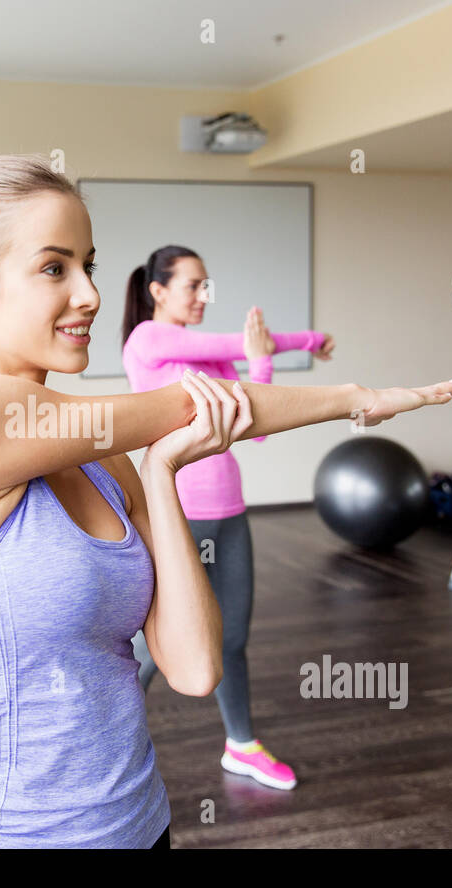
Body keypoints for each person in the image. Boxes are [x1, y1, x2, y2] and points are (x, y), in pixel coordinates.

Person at [0, 154, 452, 848]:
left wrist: (160, 477)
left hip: (143, 822)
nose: (91, 293)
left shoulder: (104, 460)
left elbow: (193, 668)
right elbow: (185, 403)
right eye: (55, 268)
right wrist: (354, 400)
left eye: (89, 264)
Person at [121, 246, 335, 790]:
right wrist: (308, 342)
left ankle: (242, 744)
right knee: (151, 648)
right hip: (179, 514)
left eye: (206, 286)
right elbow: (234, 343)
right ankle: (107, 749)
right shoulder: (150, 339)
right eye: (192, 285)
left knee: (232, 637)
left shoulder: (212, 360)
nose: (202, 296)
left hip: (229, 510)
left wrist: (260, 360)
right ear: (158, 290)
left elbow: (256, 426)